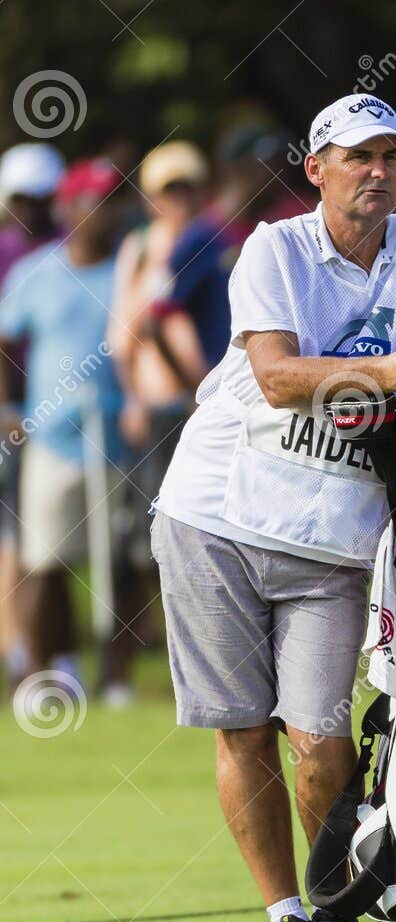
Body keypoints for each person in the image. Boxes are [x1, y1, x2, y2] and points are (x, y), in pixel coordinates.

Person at [150, 94, 396, 922]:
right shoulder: (275, 247)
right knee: (243, 729)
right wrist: (387, 371)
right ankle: (288, 920)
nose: (376, 170)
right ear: (315, 169)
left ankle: (337, 912)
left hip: (334, 534)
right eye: (356, 156)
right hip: (217, 511)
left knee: (322, 735)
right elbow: (280, 377)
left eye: (389, 156)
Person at [0, 159, 132, 697]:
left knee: (121, 563)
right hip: (51, 438)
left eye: (114, 199)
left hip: (121, 438)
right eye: (97, 200)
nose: (108, 211)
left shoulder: (131, 264)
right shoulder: (37, 271)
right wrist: (7, 407)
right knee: (44, 561)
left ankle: (116, 678)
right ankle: (45, 671)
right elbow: (4, 338)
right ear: (71, 206)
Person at [110, 142, 235, 653]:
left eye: (185, 187)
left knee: (200, 533)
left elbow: (162, 318)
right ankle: (159, 647)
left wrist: (196, 383)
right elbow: (131, 331)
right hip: (160, 408)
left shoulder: (204, 245)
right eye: (168, 189)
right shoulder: (142, 248)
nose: (177, 198)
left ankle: (194, 644)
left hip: (193, 406)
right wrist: (134, 396)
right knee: (150, 536)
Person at [0, 143, 64, 683]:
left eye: (41, 197)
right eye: (22, 198)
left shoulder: (67, 249)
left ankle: (27, 650)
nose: (31, 208)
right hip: (13, 414)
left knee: (31, 541)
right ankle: (18, 649)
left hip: (49, 420)